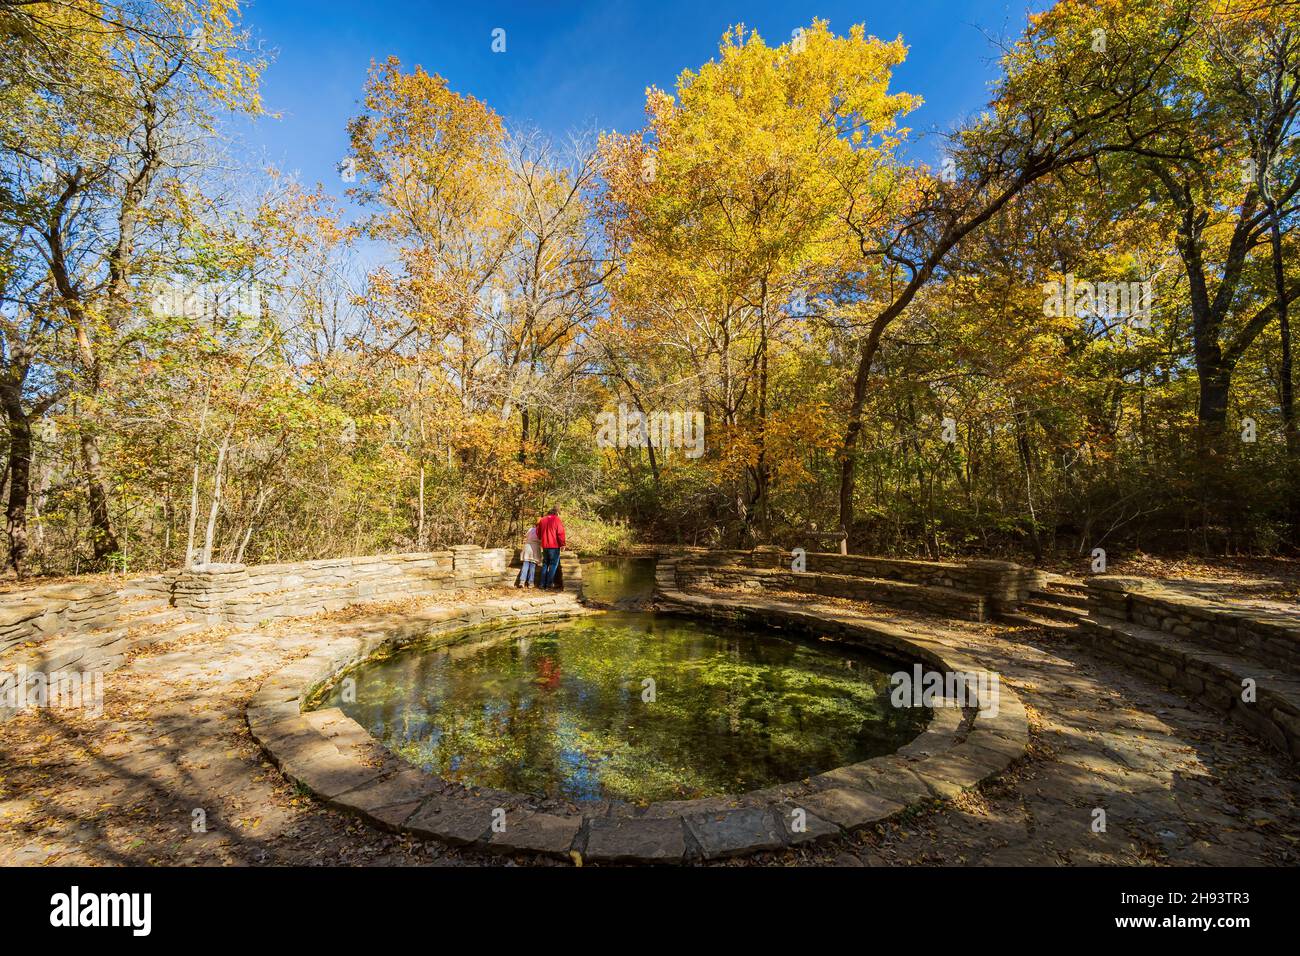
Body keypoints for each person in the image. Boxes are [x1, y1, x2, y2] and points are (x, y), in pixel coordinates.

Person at [535, 506, 566, 589]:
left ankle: (542, 584)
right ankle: (549, 584)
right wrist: (562, 544)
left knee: (545, 564)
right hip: (554, 546)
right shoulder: (557, 519)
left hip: (545, 546)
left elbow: (538, 533)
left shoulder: (542, 520)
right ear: (556, 513)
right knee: (553, 564)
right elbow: (560, 533)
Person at [517, 524, 541, 588]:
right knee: (532, 566)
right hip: (534, 549)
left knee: (525, 565)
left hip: (527, 547)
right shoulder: (540, 531)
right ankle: (530, 583)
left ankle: (522, 582)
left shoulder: (531, 529)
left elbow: (526, 536)